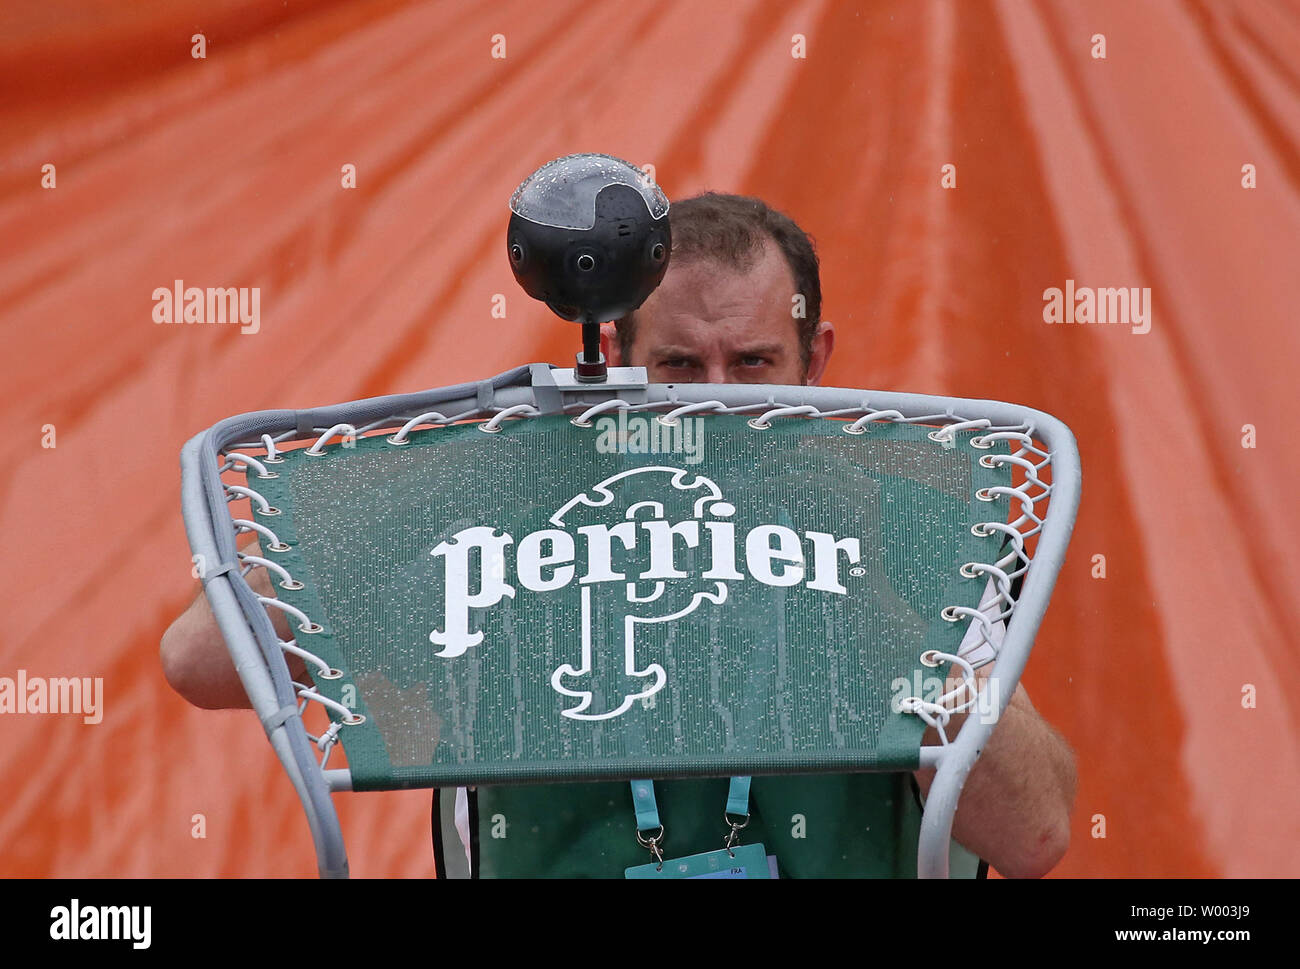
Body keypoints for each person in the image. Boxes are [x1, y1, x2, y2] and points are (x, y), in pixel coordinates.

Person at [162, 192, 1077, 878]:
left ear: (818, 359)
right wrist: (463, 480)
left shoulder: (914, 519)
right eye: (680, 365)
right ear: (620, 369)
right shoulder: (511, 511)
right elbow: (199, 660)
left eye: (754, 363)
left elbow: (1033, 832)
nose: (719, 398)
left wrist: (870, 593)